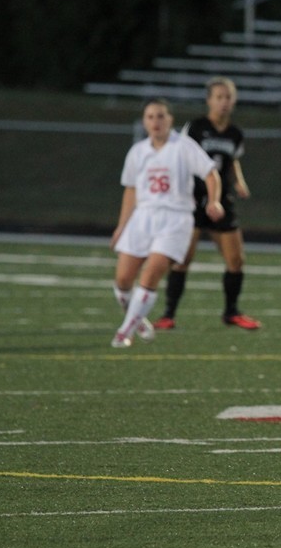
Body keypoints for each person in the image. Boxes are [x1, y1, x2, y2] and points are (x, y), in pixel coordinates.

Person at [110, 98, 223, 348]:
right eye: (150, 117)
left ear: (170, 119)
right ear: (144, 121)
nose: (155, 122)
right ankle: (137, 317)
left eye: (161, 116)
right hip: (143, 218)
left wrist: (213, 201)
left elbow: (210, 173)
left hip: (176, 219)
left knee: (150, 275)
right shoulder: (138, 151)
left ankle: (124, 332)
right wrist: (121, 226)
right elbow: (130, 191)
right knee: (122, 281)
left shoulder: (183, 146)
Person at [154, 77, 261, 331]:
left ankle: (231, 312)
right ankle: (168, 314)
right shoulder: (197, 127)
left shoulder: (235, 133)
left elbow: (232, 160)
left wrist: (239, 182)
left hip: (221, 201)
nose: (224, 102)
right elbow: (179, 156)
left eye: (228, 97)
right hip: (192, 200)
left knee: (236, 260)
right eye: (219, 97)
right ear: (209, 100)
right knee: (182, 259)